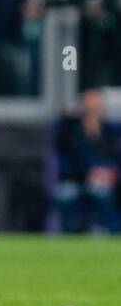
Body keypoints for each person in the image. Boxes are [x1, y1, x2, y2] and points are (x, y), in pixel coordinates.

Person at [53, 88, 120, 233]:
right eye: (90, 105)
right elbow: (65, 154)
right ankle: (70, 233)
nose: (93, 109)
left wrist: (107, 172)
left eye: (97, 105)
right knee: (66, 194)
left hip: (104, 180)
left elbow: (114, 159)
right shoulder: (70, 129)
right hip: (75, 179)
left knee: (102, 192)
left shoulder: (110, 131)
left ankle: (109, 231)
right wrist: (87, 173)